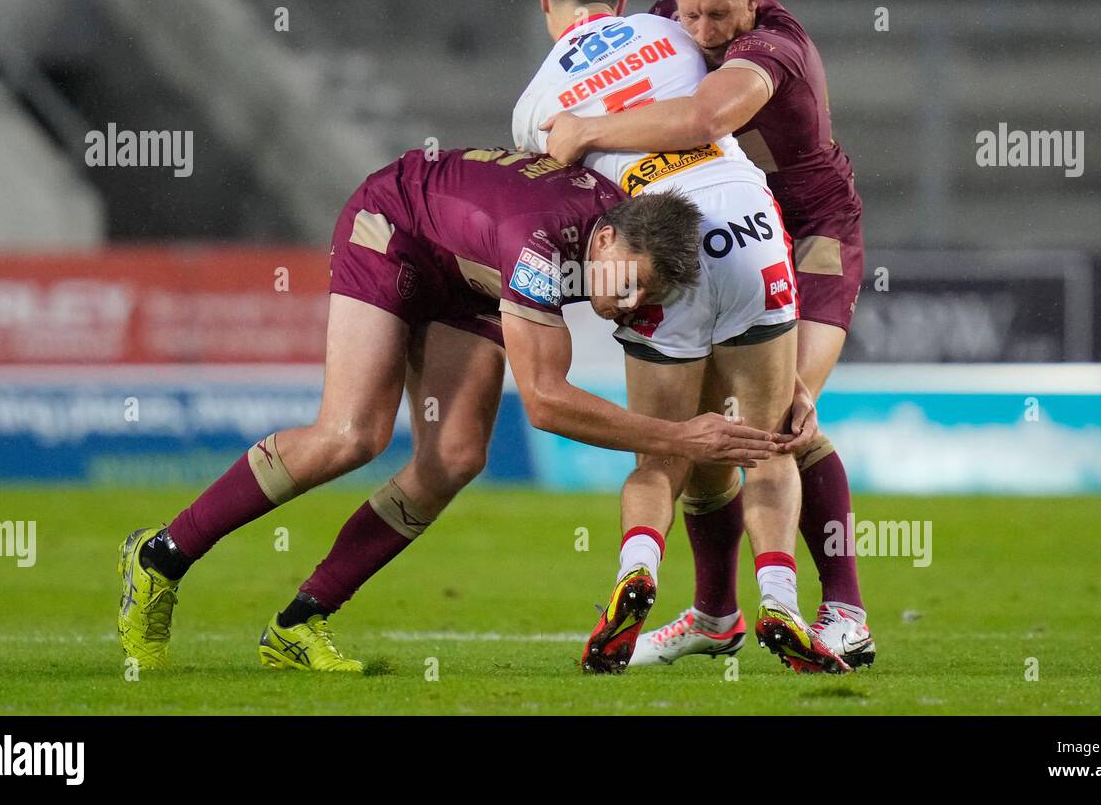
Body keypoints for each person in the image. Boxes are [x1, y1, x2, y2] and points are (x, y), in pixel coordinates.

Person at [117, 145, 786, 672]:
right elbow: (548, 404)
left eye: (645, 298)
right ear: (606, 242)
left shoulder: (621, 235)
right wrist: (681, 437)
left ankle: (300, 622)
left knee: (456, 456)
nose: (626, 307)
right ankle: (162, 555)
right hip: (395, 228)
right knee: (352, 435)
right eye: (628, 287)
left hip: (466, 275)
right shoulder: (541, 245)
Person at [516, 0, 848, 674]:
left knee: (664, 451)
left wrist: (588, 287)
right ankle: (782, 604)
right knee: (766, 442)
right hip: (753, 223)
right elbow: (703, 116)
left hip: (659, 248)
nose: (699, 28)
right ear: (633, 1)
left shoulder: (535, 102)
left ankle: (638, 570)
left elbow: (563, 205)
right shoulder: (671, 34)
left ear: (546, 2)